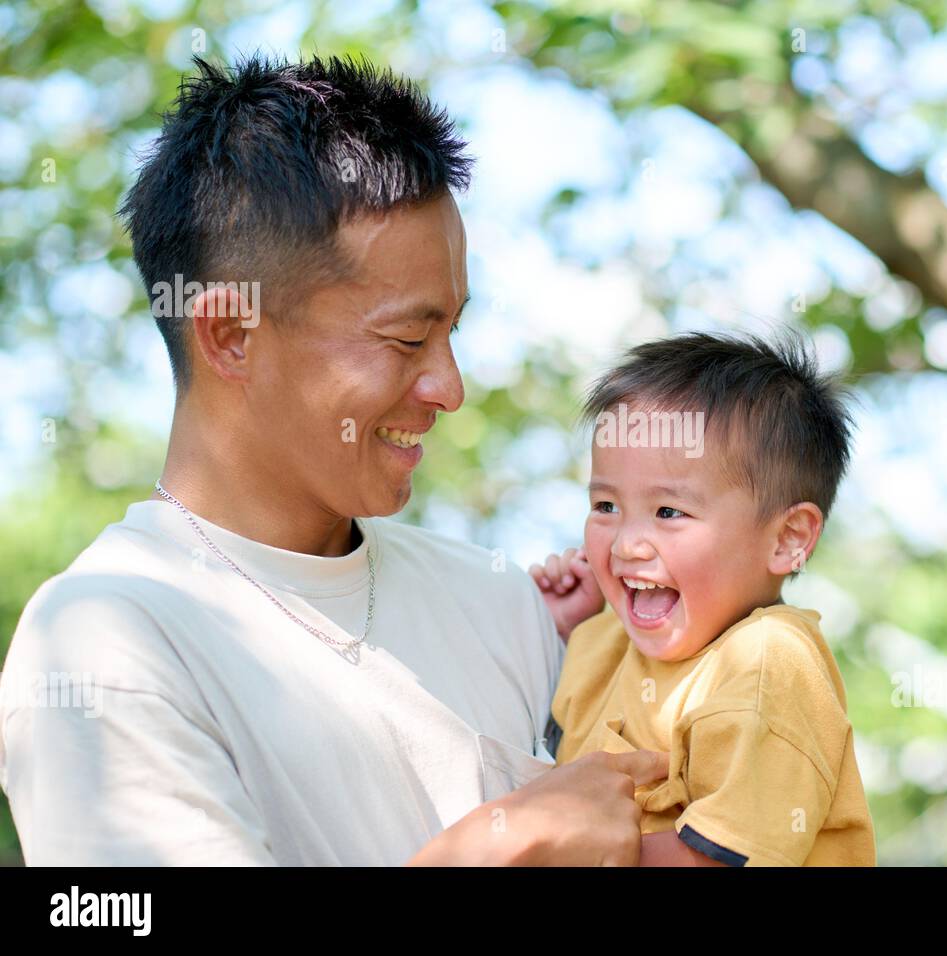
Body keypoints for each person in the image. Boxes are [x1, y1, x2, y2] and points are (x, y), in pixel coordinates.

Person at [0, 54, 665, 866]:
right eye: (408, 339)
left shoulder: (504, 605)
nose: (450, 388)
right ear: (231, 335)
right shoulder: (109, 643)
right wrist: (500, 845)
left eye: (452, 332)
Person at [530, 332, 878, 866]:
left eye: (669, 512)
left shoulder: (767, 660)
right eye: (605, 505)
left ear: (787, 539)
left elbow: (720, 857)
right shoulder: (600, 642)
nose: (626, 544)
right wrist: (560, 631)